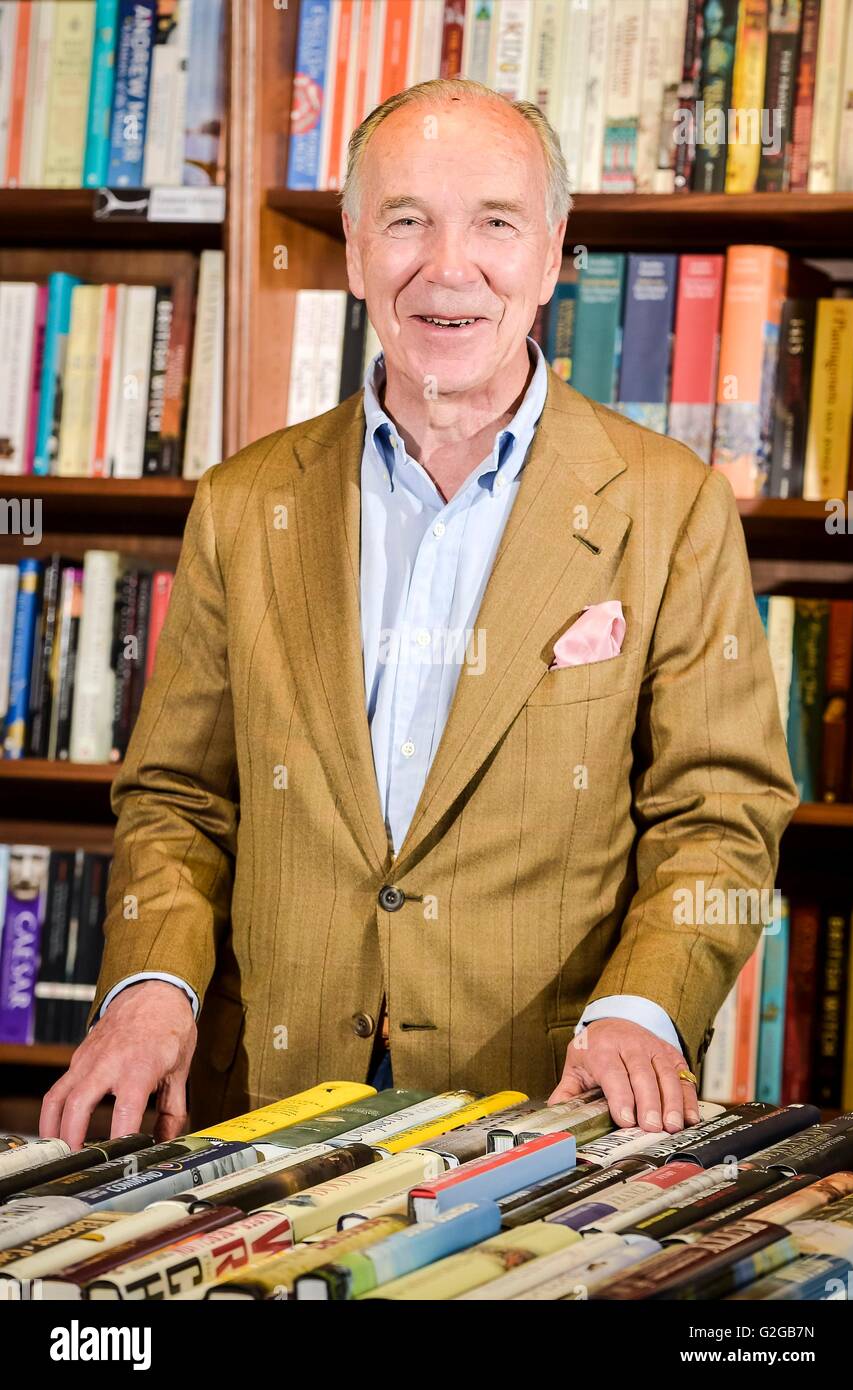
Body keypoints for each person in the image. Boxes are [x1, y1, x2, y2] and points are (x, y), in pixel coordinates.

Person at [40, 79, 799, 1148]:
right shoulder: (242, 500)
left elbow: (716, 813)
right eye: (406, 221)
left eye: (494, 222)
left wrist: (642, 1007)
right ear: (354, 252)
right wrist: (150, 986)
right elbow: (177, 798)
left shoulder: (669, 502)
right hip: (267, 1104)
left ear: (550, 252)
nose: (449, 268)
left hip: (547, 1111)